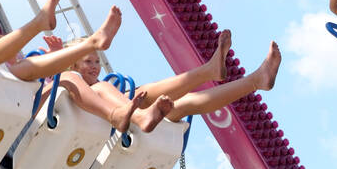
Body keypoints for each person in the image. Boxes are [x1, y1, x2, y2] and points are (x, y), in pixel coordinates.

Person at [54, 29, 281, 132]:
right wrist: (55, 59)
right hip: (112, 121)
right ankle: (210, 72)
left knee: (184, 102)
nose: (94, 67)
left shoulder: (102, 87)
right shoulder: (68, 81)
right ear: (72, 63)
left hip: (125, 115)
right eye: (87, 62)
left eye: (96, 62)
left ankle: (253, 80)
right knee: (111, 87)